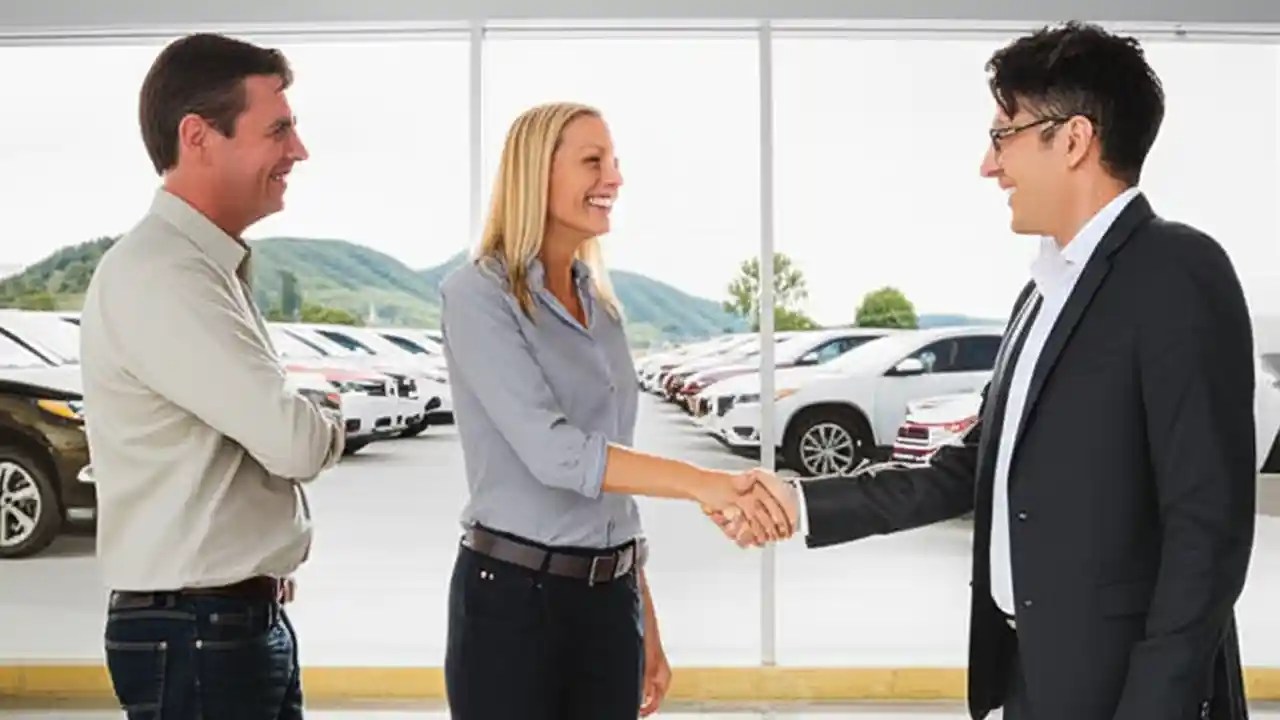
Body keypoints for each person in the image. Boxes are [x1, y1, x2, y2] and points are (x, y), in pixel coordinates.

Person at [723, 21, 1256, 720]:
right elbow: (976, 466)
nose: (988, 164)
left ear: (1073, 140)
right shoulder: (1042, 294)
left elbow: (1208, 530)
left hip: (1128, 695)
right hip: (1030, 678)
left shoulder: (1177, 271)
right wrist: (798, 503)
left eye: (1003, 135)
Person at [439, 101, 794, 720]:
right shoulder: (477, 296)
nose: (615, 179)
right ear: (535, 173)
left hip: (610, 603)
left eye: (615, 162)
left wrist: (643, 612)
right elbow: (559, 454)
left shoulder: (599, 306)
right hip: (513, 605)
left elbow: (609, 487)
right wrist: (709, 485)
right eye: (592, 161)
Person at [79, 33, 343, 719]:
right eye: (278, 129)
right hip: (200, 633)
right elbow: (294, 442)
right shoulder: (165, 274)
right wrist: (323, 416)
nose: (299, 152)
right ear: (198, 136)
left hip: (222, 626)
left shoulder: (199, 266)